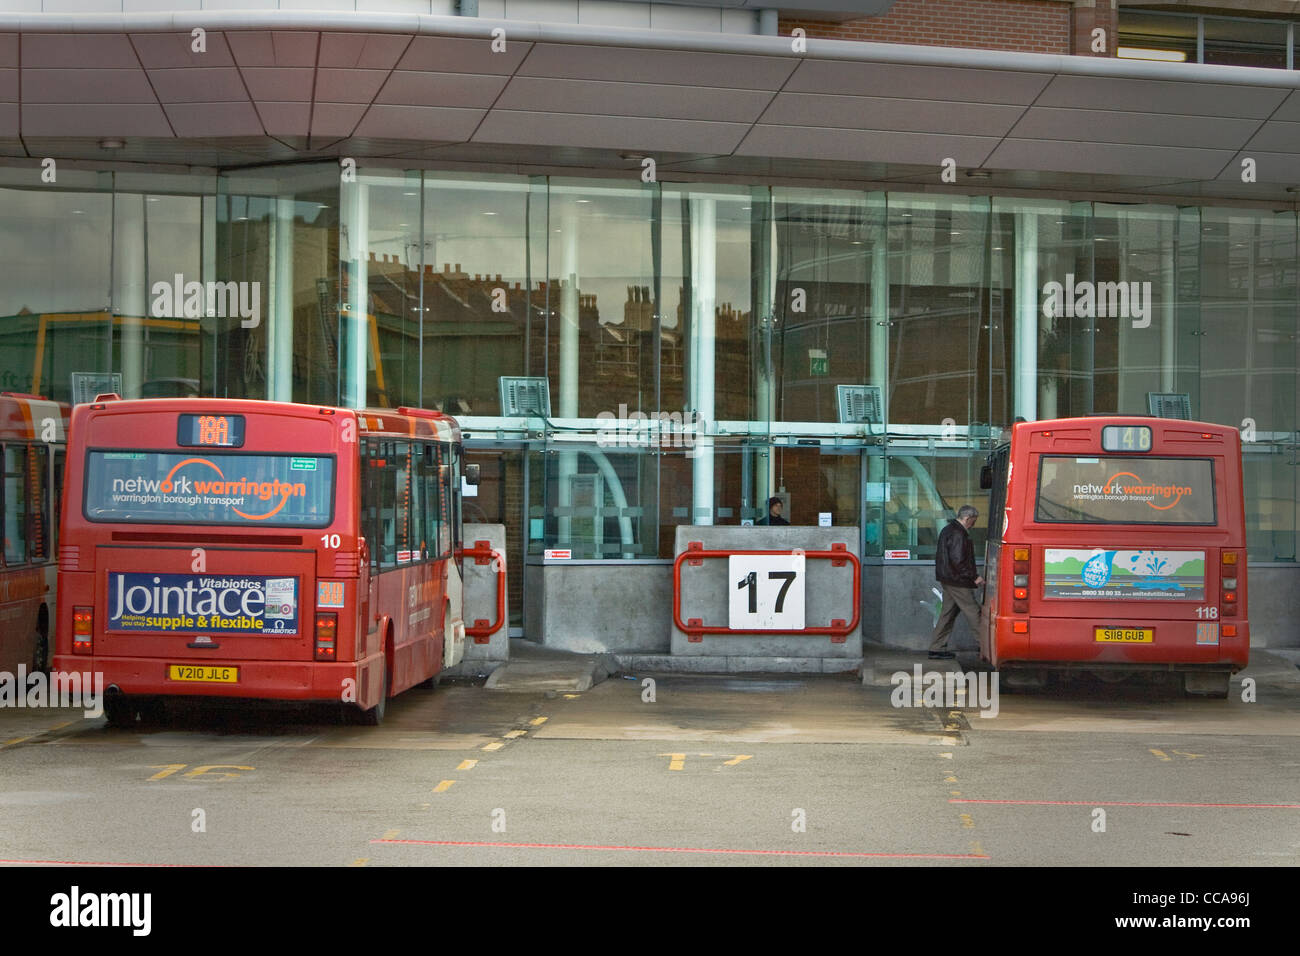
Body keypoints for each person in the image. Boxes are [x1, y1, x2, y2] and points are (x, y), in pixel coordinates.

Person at [929, 504, 983, 660]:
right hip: (957, 580)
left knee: (947, 613)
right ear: (967, 518)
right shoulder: (958, 534)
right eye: (973, 520)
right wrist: (974, 576)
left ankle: (936, 648)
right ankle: (985, 646)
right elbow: (958, 561)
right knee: (974, 612)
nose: (974, 524)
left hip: (948, 579)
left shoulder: (949, 529)